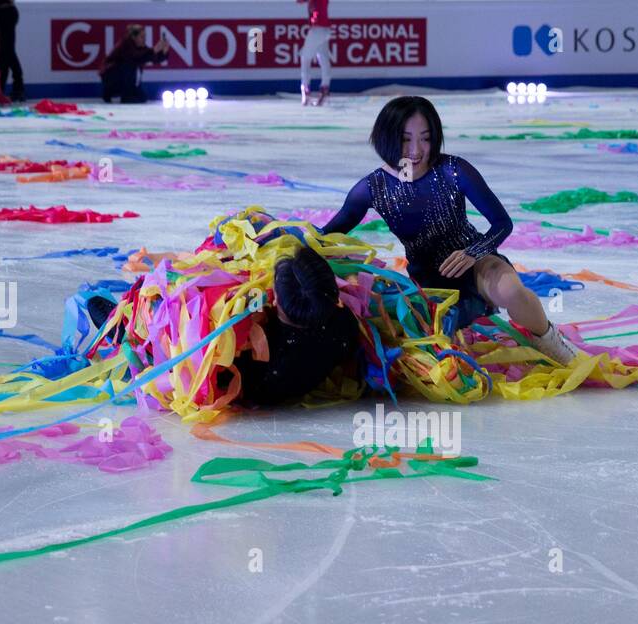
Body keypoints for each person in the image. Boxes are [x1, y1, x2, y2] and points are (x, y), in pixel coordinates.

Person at [321, 96, 581, 365]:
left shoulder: (453, 170)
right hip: (427, 282)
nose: (416, 149)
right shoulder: (372, 187)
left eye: (425, 138)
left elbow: (502, 223)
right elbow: (328, 234)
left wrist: (473, 252)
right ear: (387, 137)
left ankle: (551, 342)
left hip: (478, 262)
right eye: (406, 138)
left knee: (510, 290)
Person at [87, 246, 358, 407]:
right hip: (282, 378)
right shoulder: (345, 326)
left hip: (247, 388)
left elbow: (202, 377)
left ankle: (123, 330)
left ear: (275, 298)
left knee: (163, 324)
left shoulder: (251, 356)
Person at [100, 25, 168, 104]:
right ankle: (121, 93)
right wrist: (154, 50)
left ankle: (128, 92)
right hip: (111, 76)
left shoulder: (141, 47)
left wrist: (164, 51)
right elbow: (135, 57)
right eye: (142, 37)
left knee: (142, 98)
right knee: (128, 66)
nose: (144, 39)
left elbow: (152, 57)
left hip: (125, 78)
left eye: (145, 36)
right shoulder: (125, 44)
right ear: (133, 37)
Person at [296, 0, 331, 106]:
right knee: (323, 58)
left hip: (317, 29)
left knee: (305, 57)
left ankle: (305, 89)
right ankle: (325, 88)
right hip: (324, 30)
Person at [0, 0, 22, 102]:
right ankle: (3, 88)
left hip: (6, 12)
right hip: (2, 13)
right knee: (4, 53)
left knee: (8, 52)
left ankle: (18, 87)